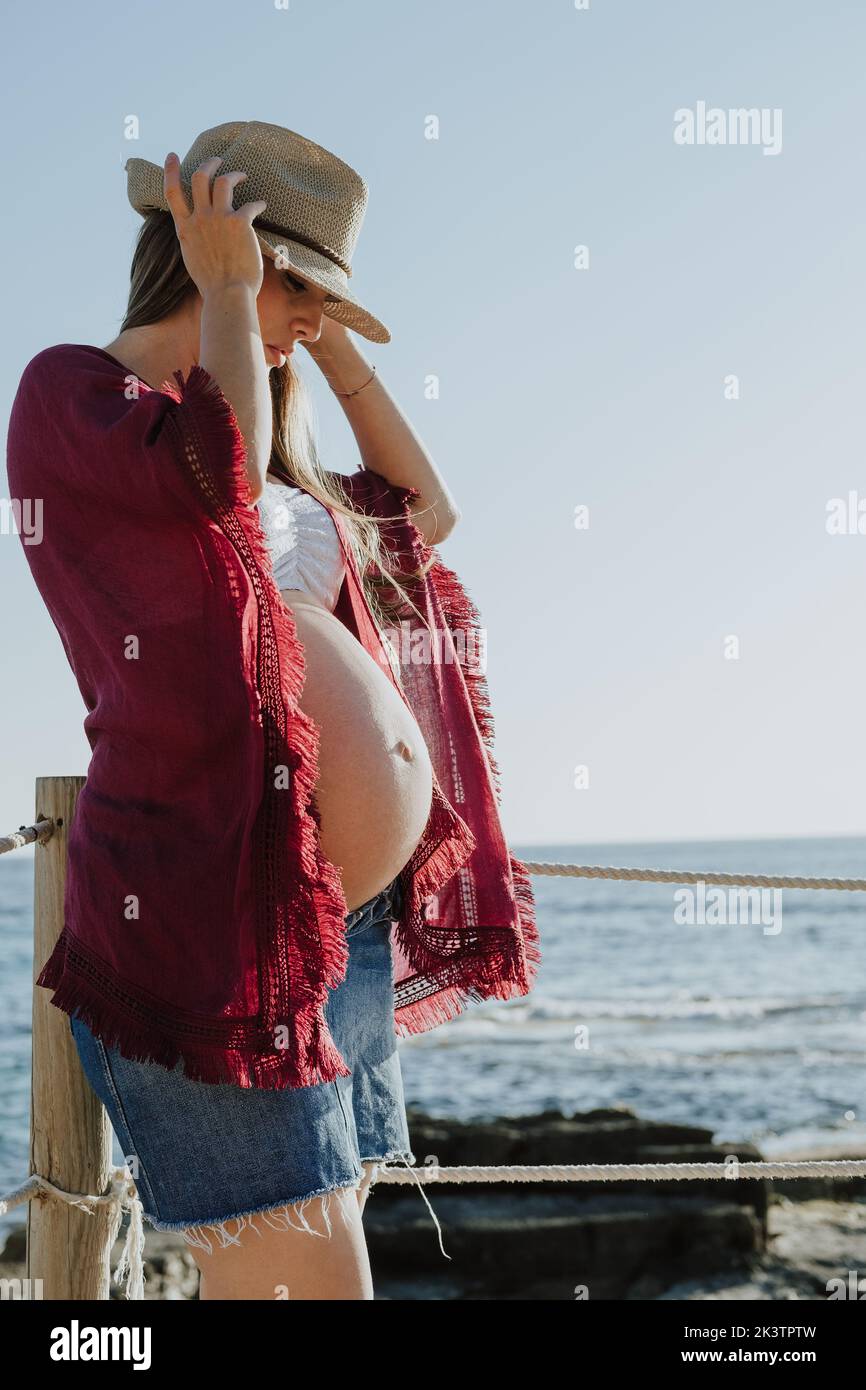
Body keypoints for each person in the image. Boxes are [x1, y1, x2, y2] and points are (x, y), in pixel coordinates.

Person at [7, 122, 539, 1300]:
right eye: (310, 287)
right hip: (209, 925)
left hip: (326, 934)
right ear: (226, 254)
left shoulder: (269, 427)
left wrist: (331, 349)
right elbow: (220, 477)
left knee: (311, 1272)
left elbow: (423, 512)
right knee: (308, 1290)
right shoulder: (75, 392)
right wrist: (239, 298)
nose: (308, 316)